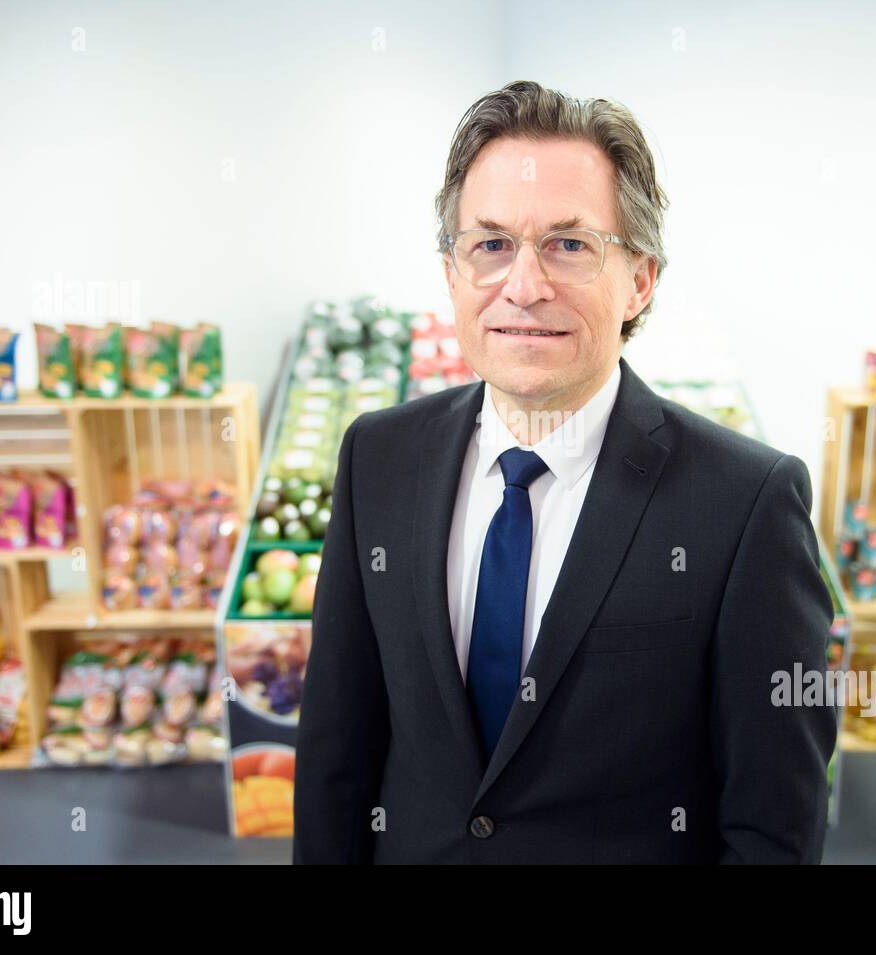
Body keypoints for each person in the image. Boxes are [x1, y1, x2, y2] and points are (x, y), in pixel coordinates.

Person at [293, 80, 836, 864]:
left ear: (640, 280)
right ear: (452, 273)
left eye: (569, 244)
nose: (524, 284)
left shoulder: (744, 504)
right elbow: (336, 749)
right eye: (490, 244)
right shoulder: (378, 458)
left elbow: (772, 826)